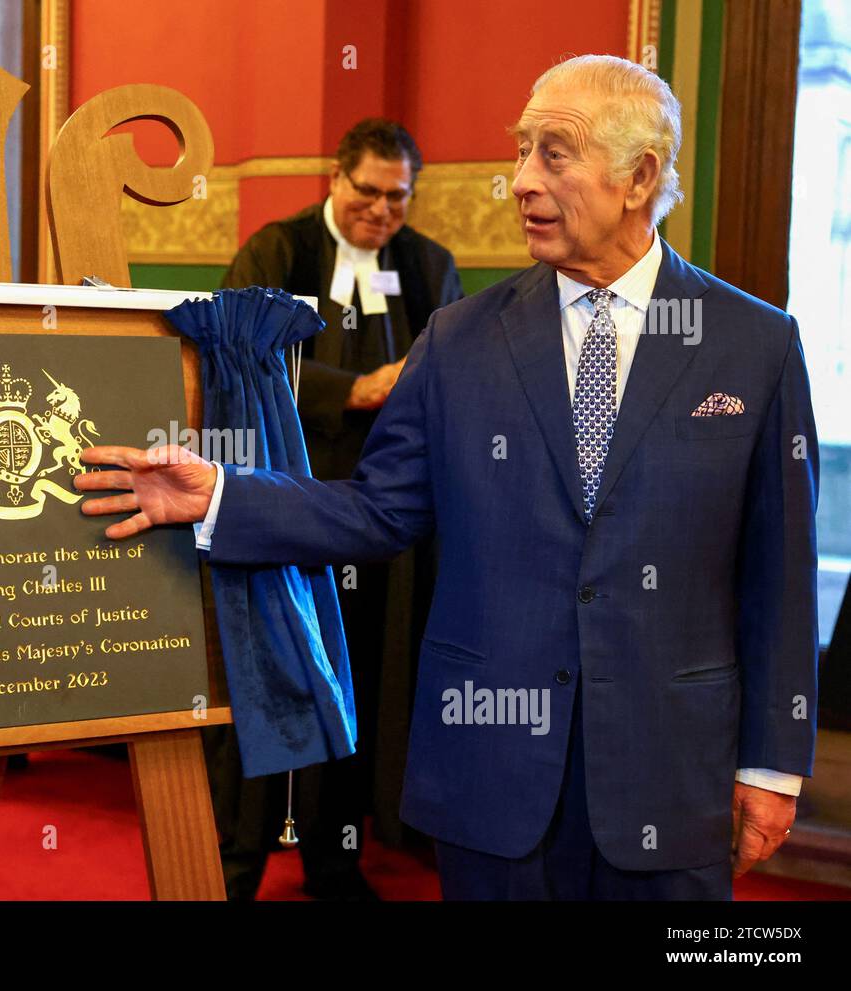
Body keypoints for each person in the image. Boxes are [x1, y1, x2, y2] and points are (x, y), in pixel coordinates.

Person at [75, 54, 818, 900]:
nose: (520, 181)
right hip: (494, 779)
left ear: (639, 175)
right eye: (521, 150)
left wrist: (773, 764)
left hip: (670, 774)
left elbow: (781, 580)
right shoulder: (459, 339)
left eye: (554, 153)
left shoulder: (755, 345)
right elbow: (377, 510)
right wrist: (221, 496)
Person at [208, 118, 462, 900]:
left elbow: (452, 365)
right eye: (369, 192)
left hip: (381, 515)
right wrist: (348, 389)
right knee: (269, 673)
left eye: (398, 197)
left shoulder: (425, 265)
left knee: (360, 682)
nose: (382, 211)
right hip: (284, 501)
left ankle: (335, 857)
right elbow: (233, 352)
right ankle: (234, 863)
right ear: (334, 178)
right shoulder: (278, 252)